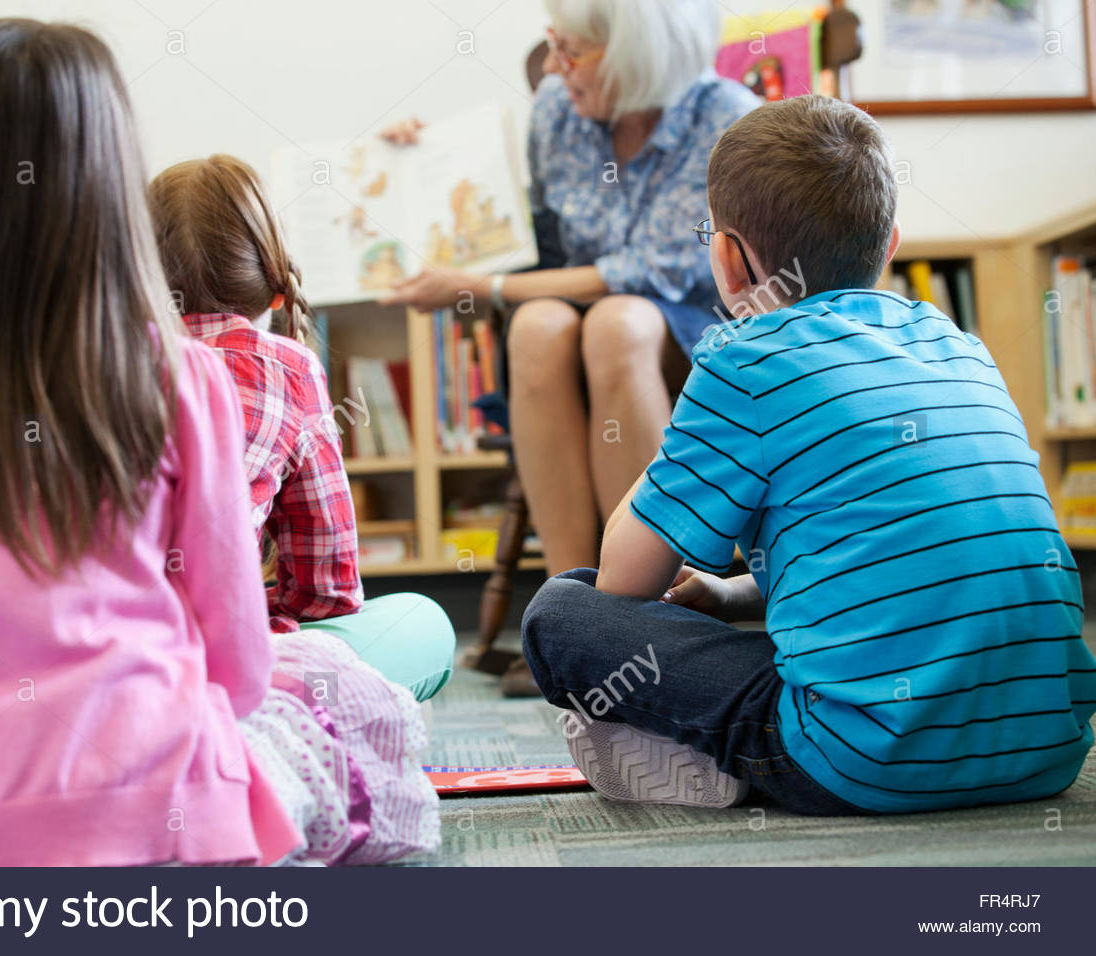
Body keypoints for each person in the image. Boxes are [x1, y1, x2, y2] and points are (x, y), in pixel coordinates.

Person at [0, 19, 435, 866]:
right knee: (417, 631)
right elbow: (240, 673)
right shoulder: (181, 381)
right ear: (107, 195)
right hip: (156, 823)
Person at [521, 95, 1096, 814]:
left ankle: (727, 759)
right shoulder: (958, 344)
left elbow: (623, 580)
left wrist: (686, 441)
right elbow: (900, 552)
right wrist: (732, 596)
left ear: (727, 258)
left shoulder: (746, 360)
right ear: (888, 247)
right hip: (1046, 746)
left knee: (561, 611)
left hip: (860, 760)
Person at [382, 0, 757, 695]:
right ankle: (571, 620)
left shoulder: (724, 113)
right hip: (573, 325)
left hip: (686, 332)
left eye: (571, 49)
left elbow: (657, 270)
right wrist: (420, 162)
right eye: (553, 44)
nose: (554, 66)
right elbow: (525, 240)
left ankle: (645, 616)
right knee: (537, 325)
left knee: (618, 319)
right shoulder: (557, 108)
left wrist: (482, 283)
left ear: (636, 55)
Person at [148, 154, 455, 704]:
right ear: (274, 284)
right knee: (424, 620)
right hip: (218, 673)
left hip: (102, 654)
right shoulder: (286, 367)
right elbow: (326, 590)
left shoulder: (98, 364)